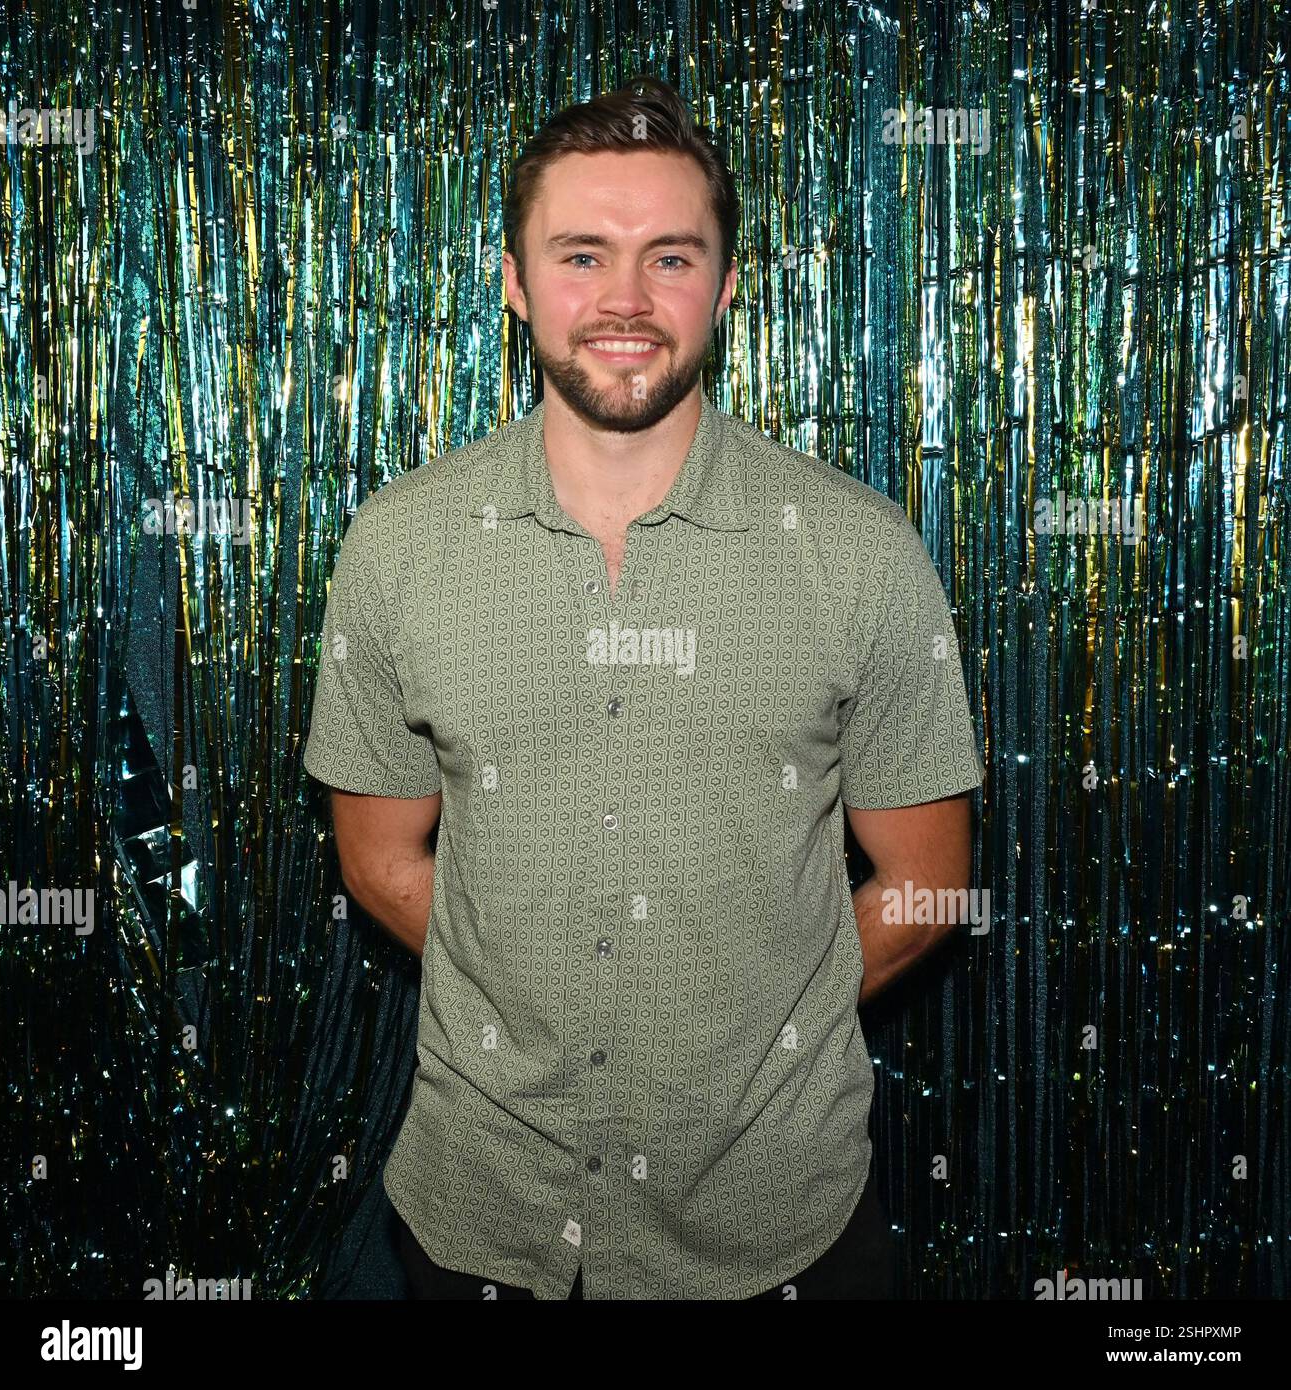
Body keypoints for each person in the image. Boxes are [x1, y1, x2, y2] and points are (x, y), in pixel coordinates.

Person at [303, 75, 982, 1300]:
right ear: (513, 281)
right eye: (581, 255)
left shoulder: (860, 549)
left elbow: (929, 881)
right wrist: (551, 990)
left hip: (780, 1219)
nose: (624, 300)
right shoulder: (395, 547)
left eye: (670, 258)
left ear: (727, 289)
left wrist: (733, 1027)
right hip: (480, 1212)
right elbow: (379, 860)